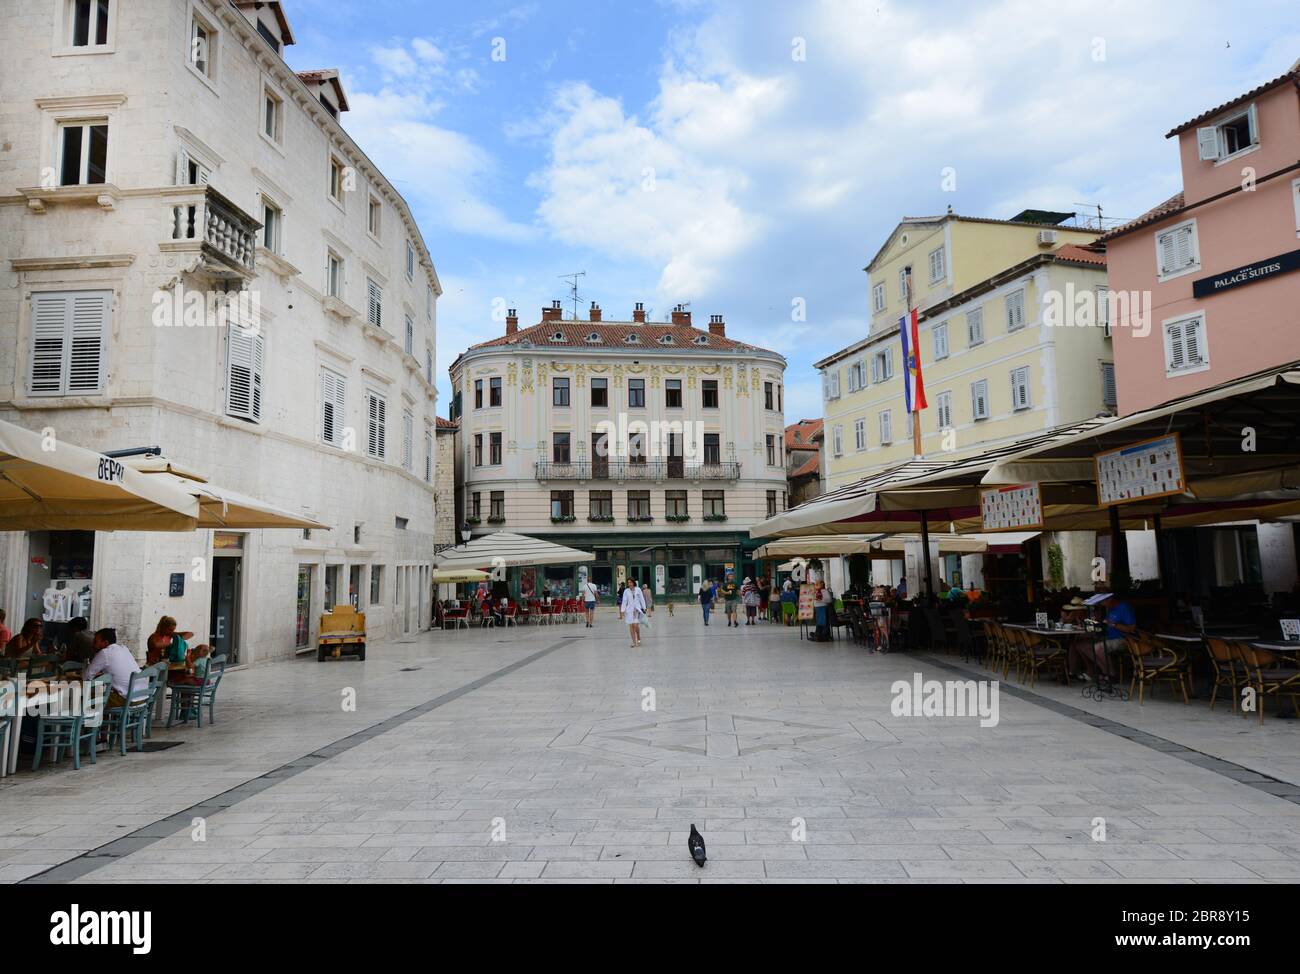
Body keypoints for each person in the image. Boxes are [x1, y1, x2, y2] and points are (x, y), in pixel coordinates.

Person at [85, 628, 141, 710]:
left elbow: (86, 677)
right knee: (104, 693)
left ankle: (86, 722)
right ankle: (104, 722)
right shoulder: (124, 648)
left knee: (84, 696)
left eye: (96, 642)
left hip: (127, 700)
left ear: (105, 643)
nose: (93, 645)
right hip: (142, 697)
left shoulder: (104, 653)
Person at [620, 577, 646, 648]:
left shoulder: (638, 590)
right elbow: (624, 601)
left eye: (630, 582)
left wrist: (644, 608)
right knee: (631, 626)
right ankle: (634, 642)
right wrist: (622, 611)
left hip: (637, 610)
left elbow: (642, 599)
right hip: (629, 610)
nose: (629, 584)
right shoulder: (626, 591)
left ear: (633, 583)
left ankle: (639, 637)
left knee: (636, 626)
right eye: (628, 583)